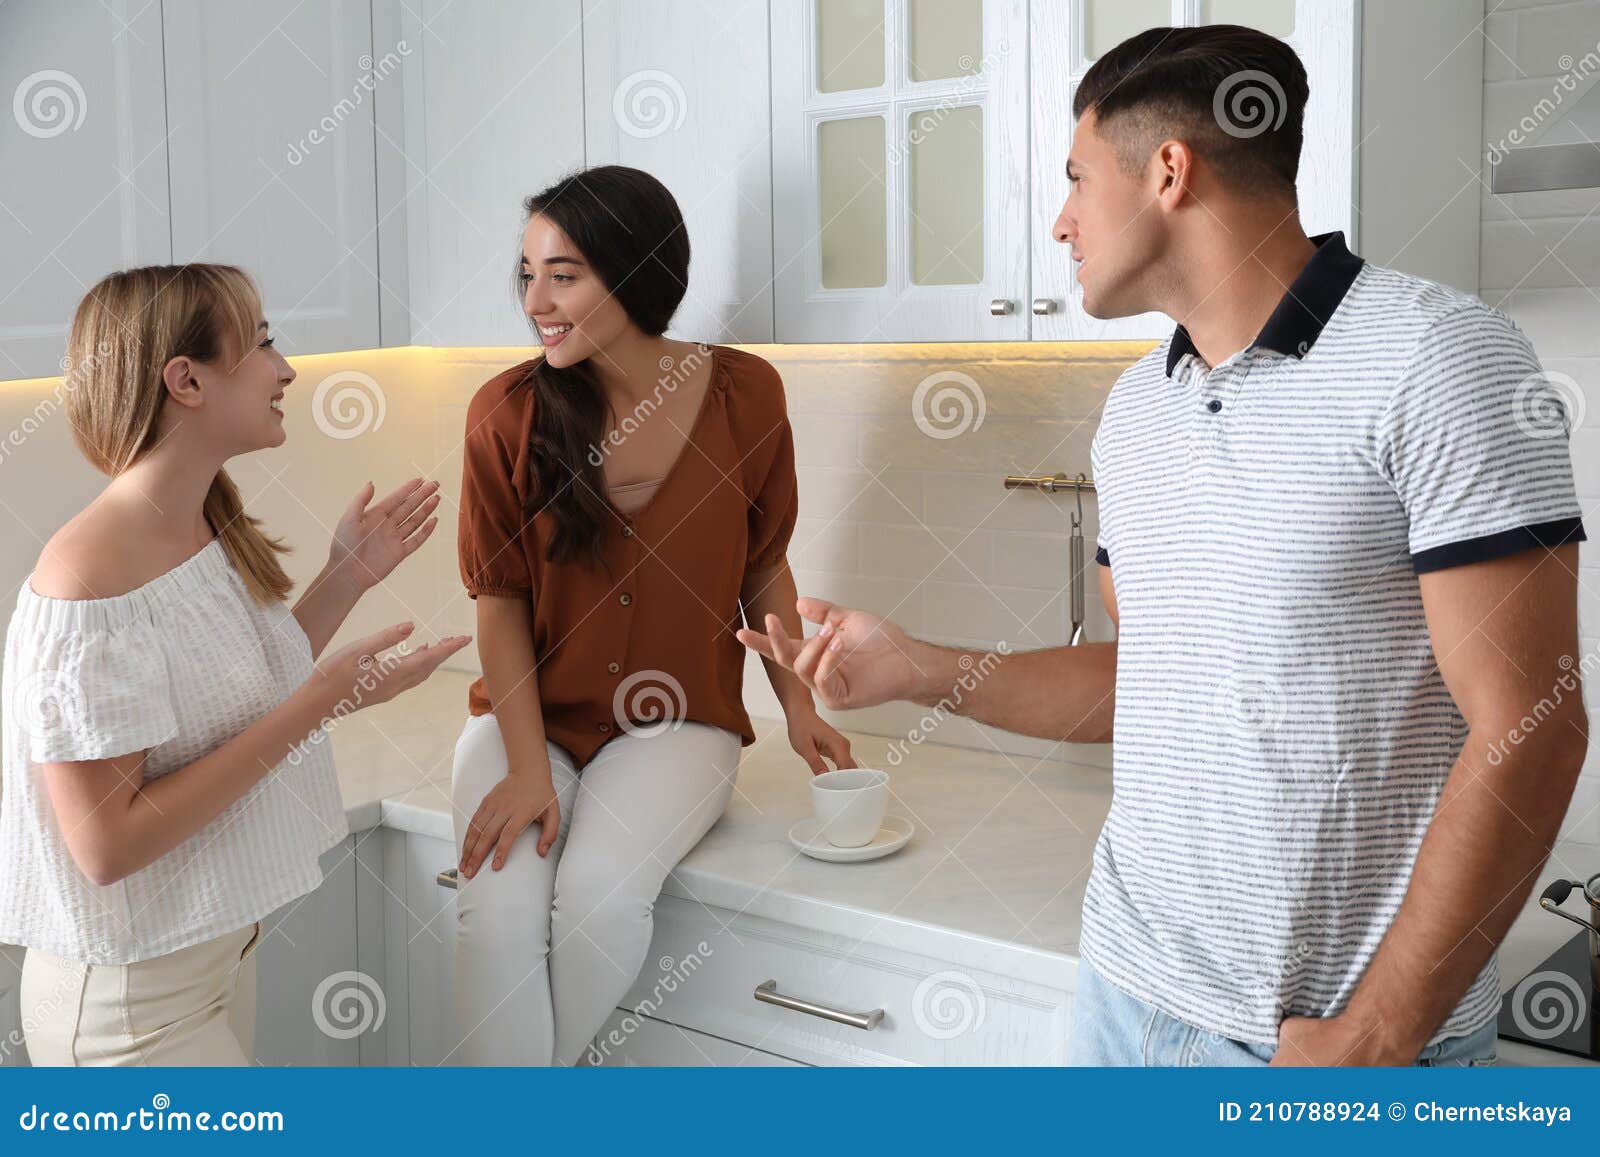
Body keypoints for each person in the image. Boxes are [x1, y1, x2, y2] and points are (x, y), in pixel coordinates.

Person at [738, 25, 1588, 1067]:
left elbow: (1532, 727)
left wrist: (1375, 1031)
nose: (1058, 222)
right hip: (1123, 993)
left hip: (1314, 1042)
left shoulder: (1438, 357)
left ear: (1169, 172)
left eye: (1075, 180)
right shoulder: (1138, 408)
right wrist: (917, 666)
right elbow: (1150, 680)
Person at [0, 264, 469, 1065]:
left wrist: (345, 575)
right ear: (185, 380)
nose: (285, 369)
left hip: (210, 959)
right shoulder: (88, 579)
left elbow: (233, 692)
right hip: (125, 1008)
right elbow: (105, 847)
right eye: (261, 343)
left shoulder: (195, 524)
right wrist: (318, 703)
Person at [450, 165, 855, 1065]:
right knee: (499, 909)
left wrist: (797, 704)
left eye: (565, 274)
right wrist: (525, 767)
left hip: (677, 718)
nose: (535, 302)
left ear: (635, 273)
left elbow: (763, 566)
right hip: (528, 716)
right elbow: (501, 601)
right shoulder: (505, 415)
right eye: (527, 274)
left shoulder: (746, 395)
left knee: (597, 896)